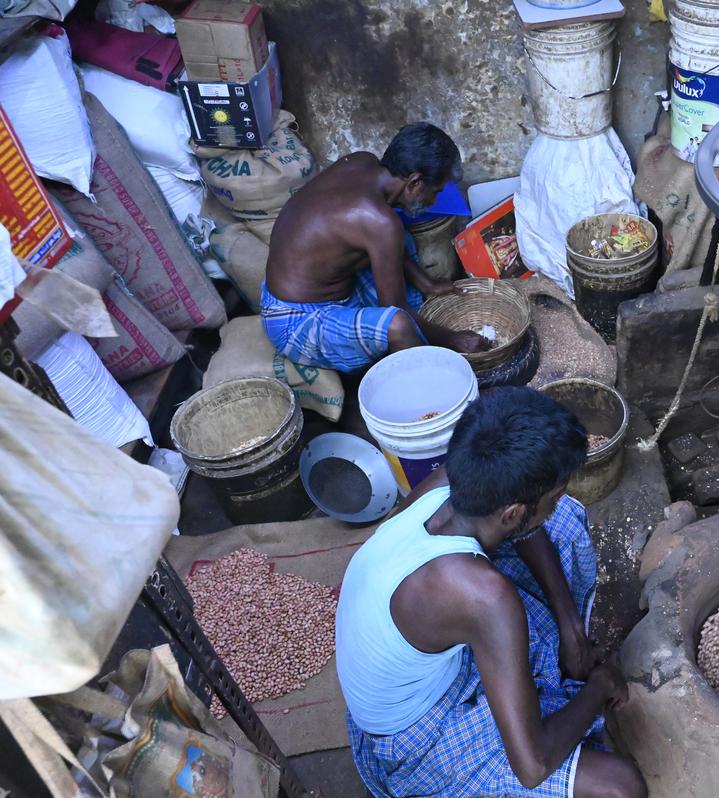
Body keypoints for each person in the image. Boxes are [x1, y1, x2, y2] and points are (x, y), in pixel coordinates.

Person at [335, 387, 647, 798]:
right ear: (512, 512)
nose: (557, 502)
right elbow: (532, 766)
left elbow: (526, 528)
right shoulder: (484, 597)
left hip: (406, 670)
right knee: (621, 787)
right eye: (550, 498)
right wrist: (599, 688)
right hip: (413, 740)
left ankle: (559, 643)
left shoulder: (450, 481)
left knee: (562, 524)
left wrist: (570, 626)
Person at [261, 123, 491, 372]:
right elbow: (394, 311)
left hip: (312, 288)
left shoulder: (362, 161)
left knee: (401, 240)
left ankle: (412, 323)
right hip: (296, 321)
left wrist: (427, 283)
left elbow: (380, 238)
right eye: (434, 192)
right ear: (414, 182)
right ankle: (421, 391)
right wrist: (452, 339)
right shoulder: (379, 222)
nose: (434, 201)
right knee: (400, 325)